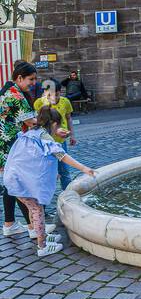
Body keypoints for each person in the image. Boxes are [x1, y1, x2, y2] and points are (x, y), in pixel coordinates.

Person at [2, 106, 96, 256]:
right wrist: (84, 168)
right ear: (53, 124)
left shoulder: (31, 133)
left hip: (14, 178)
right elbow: (61, 156)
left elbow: (33, 160)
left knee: (32, 209)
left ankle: (41, 234)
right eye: (58, 125)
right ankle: (43, 246)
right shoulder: (45, 137)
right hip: (21, 181)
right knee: (37, 210)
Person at [1, 60, 38, 235]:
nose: (34, 83)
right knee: (18, 184)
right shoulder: (16, 95)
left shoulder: (7, 89)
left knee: (10, 184)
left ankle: (10, 224)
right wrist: (53, 124)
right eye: (31, 79)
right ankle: (33, 228)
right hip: (9, 147)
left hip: (4, 145)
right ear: (20, 77)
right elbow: (32, 123)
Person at [34, 80, 75, 191]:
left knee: (64, 170)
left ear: (60, 92)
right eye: (50, 95)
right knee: (46, 171)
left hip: (60, 142)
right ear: (44, 92)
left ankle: (68, 193)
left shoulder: (65, 101)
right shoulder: (39, 103)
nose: (54, 98)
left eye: (57, 94)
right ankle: (44, 194)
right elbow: (37, 123)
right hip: (45, 144)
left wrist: (72, 135)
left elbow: (68, 118)